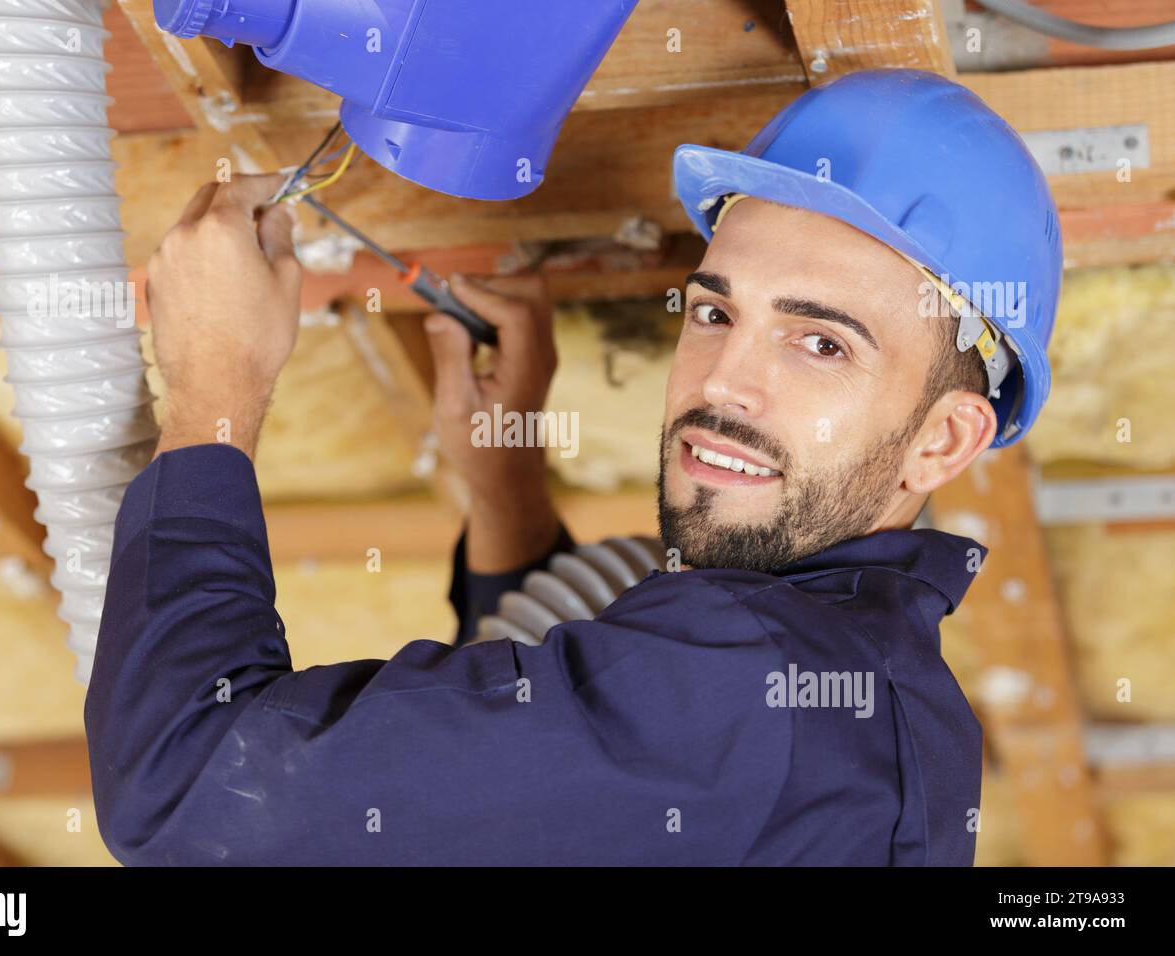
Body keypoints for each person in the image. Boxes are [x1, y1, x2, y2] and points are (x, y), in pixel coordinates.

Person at [85, 69, 1061, 865]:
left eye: (820, 345)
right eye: (716, 313)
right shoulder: (846, 688)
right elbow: (541, 786)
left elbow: (182, 785)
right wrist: (504, 484)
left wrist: (214, 387)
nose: (722, 383)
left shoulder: (757, 687)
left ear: (943, 439)